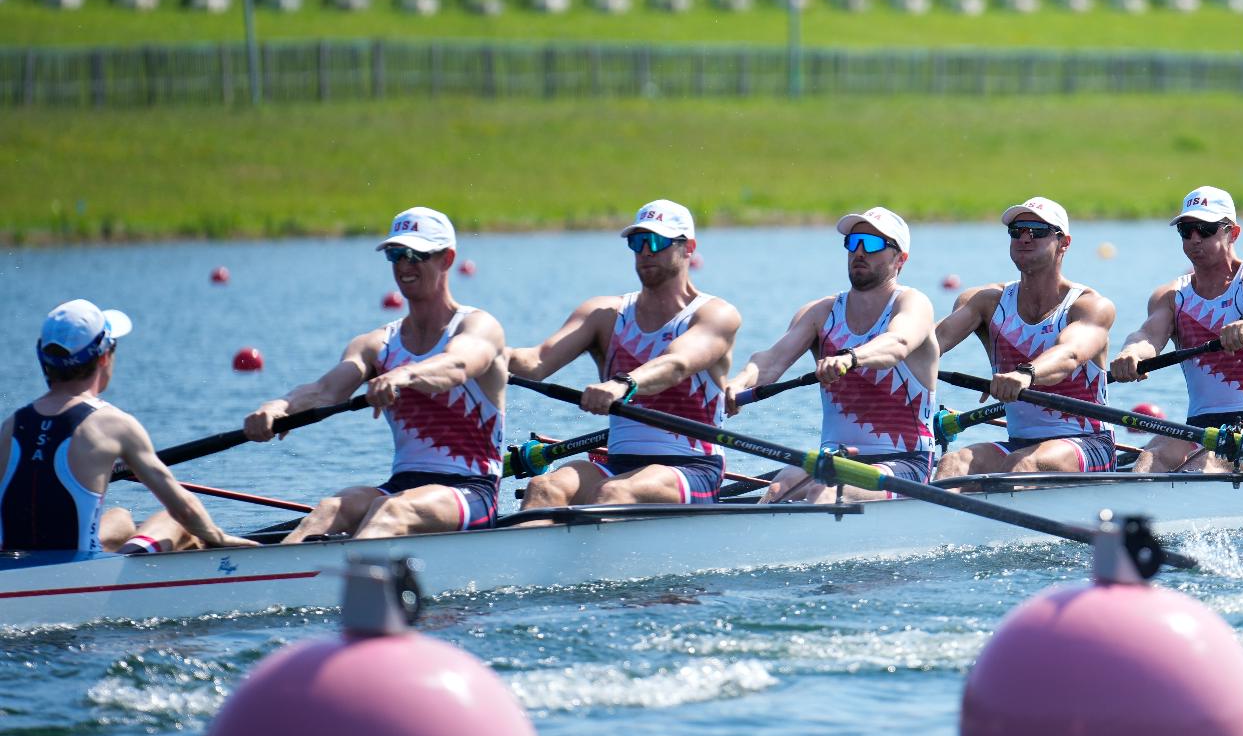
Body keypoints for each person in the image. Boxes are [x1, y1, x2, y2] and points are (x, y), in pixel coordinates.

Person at [244, 207, 508, 543]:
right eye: (395, 255)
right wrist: (278, 406)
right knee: (330, 508)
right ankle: (278, 573)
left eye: (416, 255)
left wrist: (403, 376)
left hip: (471, 490)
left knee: (391, 510)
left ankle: (347, 572)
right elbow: (324, 391)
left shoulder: (478, 326)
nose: (404, 266)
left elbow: (456, 366)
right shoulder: (376, 344)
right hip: (401, 485)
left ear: (447, 259)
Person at [510, 200, 741, 509]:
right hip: (618, 465)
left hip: (691, 469)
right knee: (543, 487)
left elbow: (676, 364)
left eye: (656, 241)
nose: (645, 251)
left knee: (613, 493)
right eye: (637, 241)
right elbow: (535, 363)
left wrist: (623, 384)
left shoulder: (716, 315)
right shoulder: (603, 314)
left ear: (689, 247)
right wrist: (479, 355)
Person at [1, 300, 254, 556]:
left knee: (120, 518)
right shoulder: (114, 424)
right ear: (104, 356)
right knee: (175, 521)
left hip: (12, 569)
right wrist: (220, 538)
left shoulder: (10, 426)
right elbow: (185, 510)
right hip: (77, 572)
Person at [725, 207, 938, 503]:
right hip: (836, 458)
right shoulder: (820, 313)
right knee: (777, 490)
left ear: (900, 259)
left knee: (823, 491)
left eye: (873, 244)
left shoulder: (913, 304)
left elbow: (898, 342)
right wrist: (737, 384)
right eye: (853, 242)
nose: (859, 251)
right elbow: (770, 362)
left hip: (905, 462)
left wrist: (850, 358)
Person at [1109, 187, 1243, 472]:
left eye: (1205, 229)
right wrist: (1131, 352)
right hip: (1201, 426)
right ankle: (1138, 500)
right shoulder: (1171, 295)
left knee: (1207, 461)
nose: (1194, 239)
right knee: (1152, 456)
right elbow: (1148, 336)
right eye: (1186, 230)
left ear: (1233, 232)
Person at [933, 197, 1117, 478]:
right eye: (1017, 231)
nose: (1024, 238)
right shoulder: (987, 302)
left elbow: (1070, 354)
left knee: (1021, 465)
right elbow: (933, 342)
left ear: (1064, 243)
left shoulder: (1089, 306)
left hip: (1089, 444)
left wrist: (1025, 374)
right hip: (1018, 445)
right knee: (953, 463)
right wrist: (870, 361)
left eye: (1037, 231)